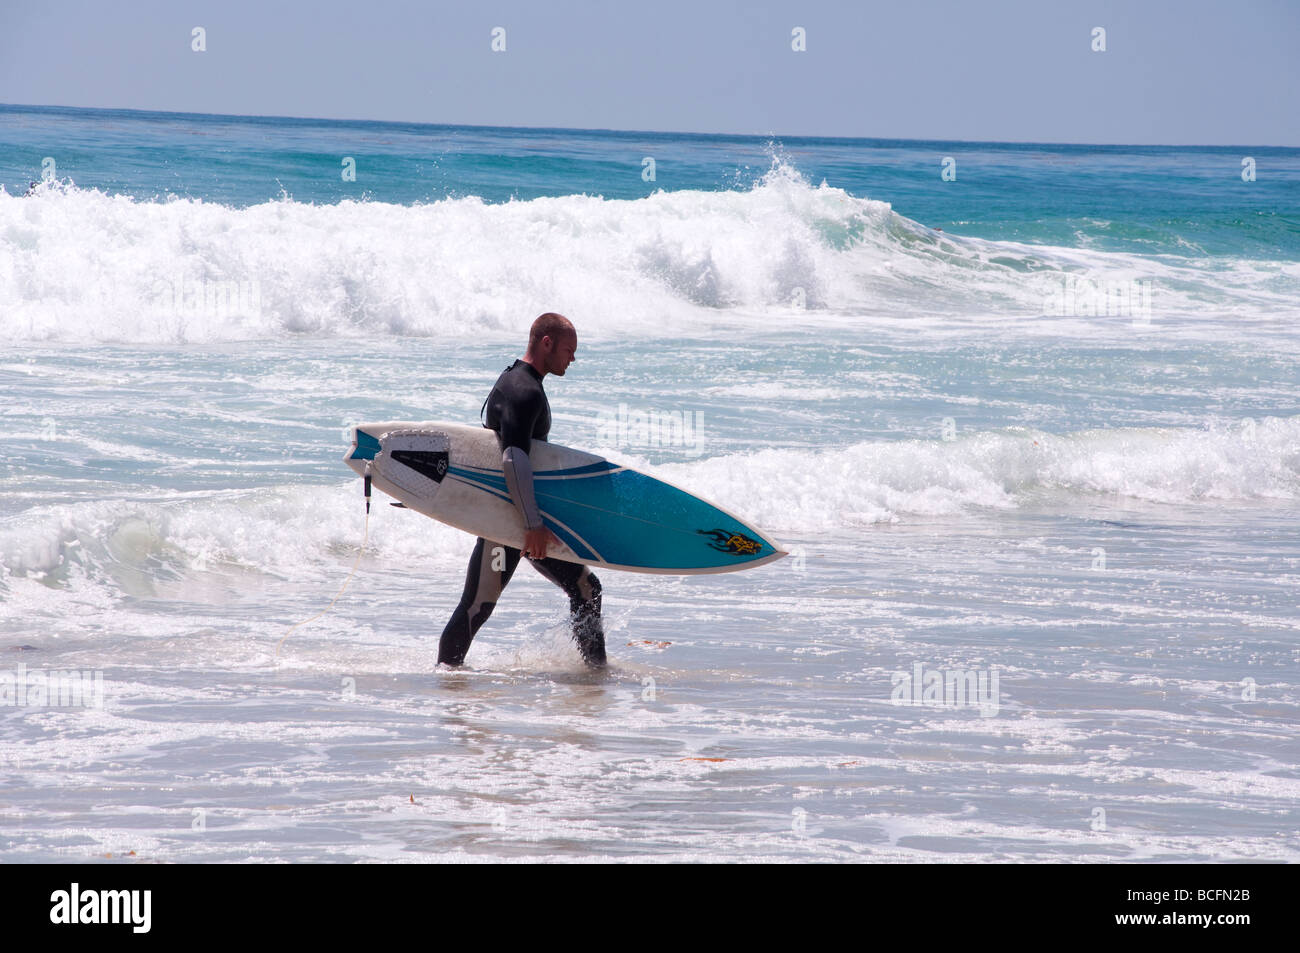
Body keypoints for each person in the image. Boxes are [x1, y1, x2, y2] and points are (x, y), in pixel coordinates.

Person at [437, 313, 607, 670]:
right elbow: (513, 459)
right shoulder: (523, 390)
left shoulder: (520, 381)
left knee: (586, 590)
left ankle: (595, 676)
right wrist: (531, 525)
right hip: (512, 523)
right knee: (477, 605)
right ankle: (447, 680)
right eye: (568, 350)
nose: (572, 359)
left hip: (522, 517)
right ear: (546, 343)